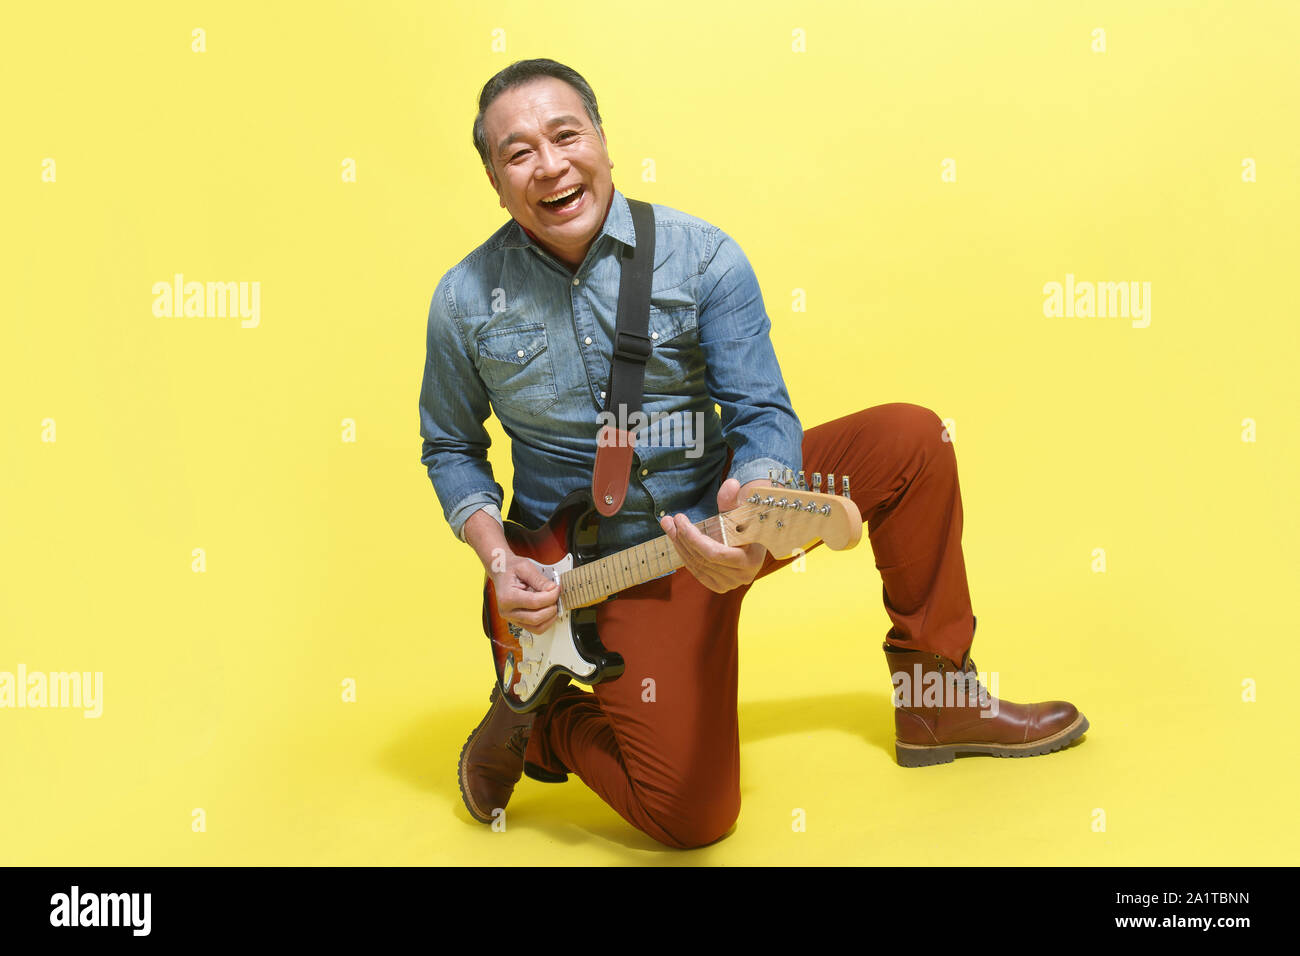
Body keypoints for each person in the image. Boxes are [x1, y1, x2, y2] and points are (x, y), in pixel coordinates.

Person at [419, 58, 1088, 850]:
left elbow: (761, 409)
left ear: (602, 139)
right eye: (518, 152)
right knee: (692, 821)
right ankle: (552, 720)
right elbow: (450, 446)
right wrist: (500, 562)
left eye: (566, 135)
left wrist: (757, 503)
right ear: (496, 183)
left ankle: (936, 696)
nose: (551, 164)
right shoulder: (464, 301)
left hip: (722, 517)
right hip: (595, 579)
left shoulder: (703, 258)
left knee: (911, 439)